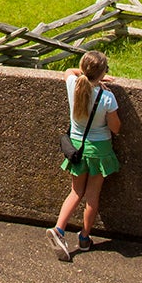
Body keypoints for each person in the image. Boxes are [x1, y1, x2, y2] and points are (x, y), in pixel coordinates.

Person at [45, 49, 121, 261]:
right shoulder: (107, 97)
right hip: (99, 150)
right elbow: (116, 128)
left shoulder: (73, 85)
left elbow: (68, 71)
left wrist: (89, 74)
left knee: (75, 192)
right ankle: (85, 237)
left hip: (77, 146)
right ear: (103, 72)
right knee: (92, 197)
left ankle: (59, 229)